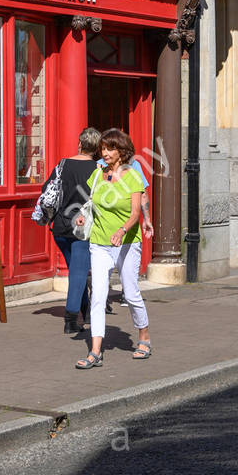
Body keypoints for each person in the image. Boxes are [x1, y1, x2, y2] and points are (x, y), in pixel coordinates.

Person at [75, 128, 150, 368]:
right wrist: (82, 217)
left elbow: (135, 213)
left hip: (126, 242)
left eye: (110, 149)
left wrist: (122, 230)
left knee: (130, 293)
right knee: (98, 295)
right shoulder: (97, 175)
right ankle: (95, 351)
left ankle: (144, 338)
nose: (104, 153)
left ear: (121, 151)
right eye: (103, 149)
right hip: (99, 242)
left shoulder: (133, 177)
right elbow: (91, 203)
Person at [51, 128, 101, 337]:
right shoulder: (99, 170)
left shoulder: (62, 165)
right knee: (79, 273)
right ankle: (71, 319)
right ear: (97, 148)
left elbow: (49, 190)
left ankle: (86, 310)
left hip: (61, 225)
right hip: (83, 227)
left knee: (75, 269)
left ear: (79, 143)